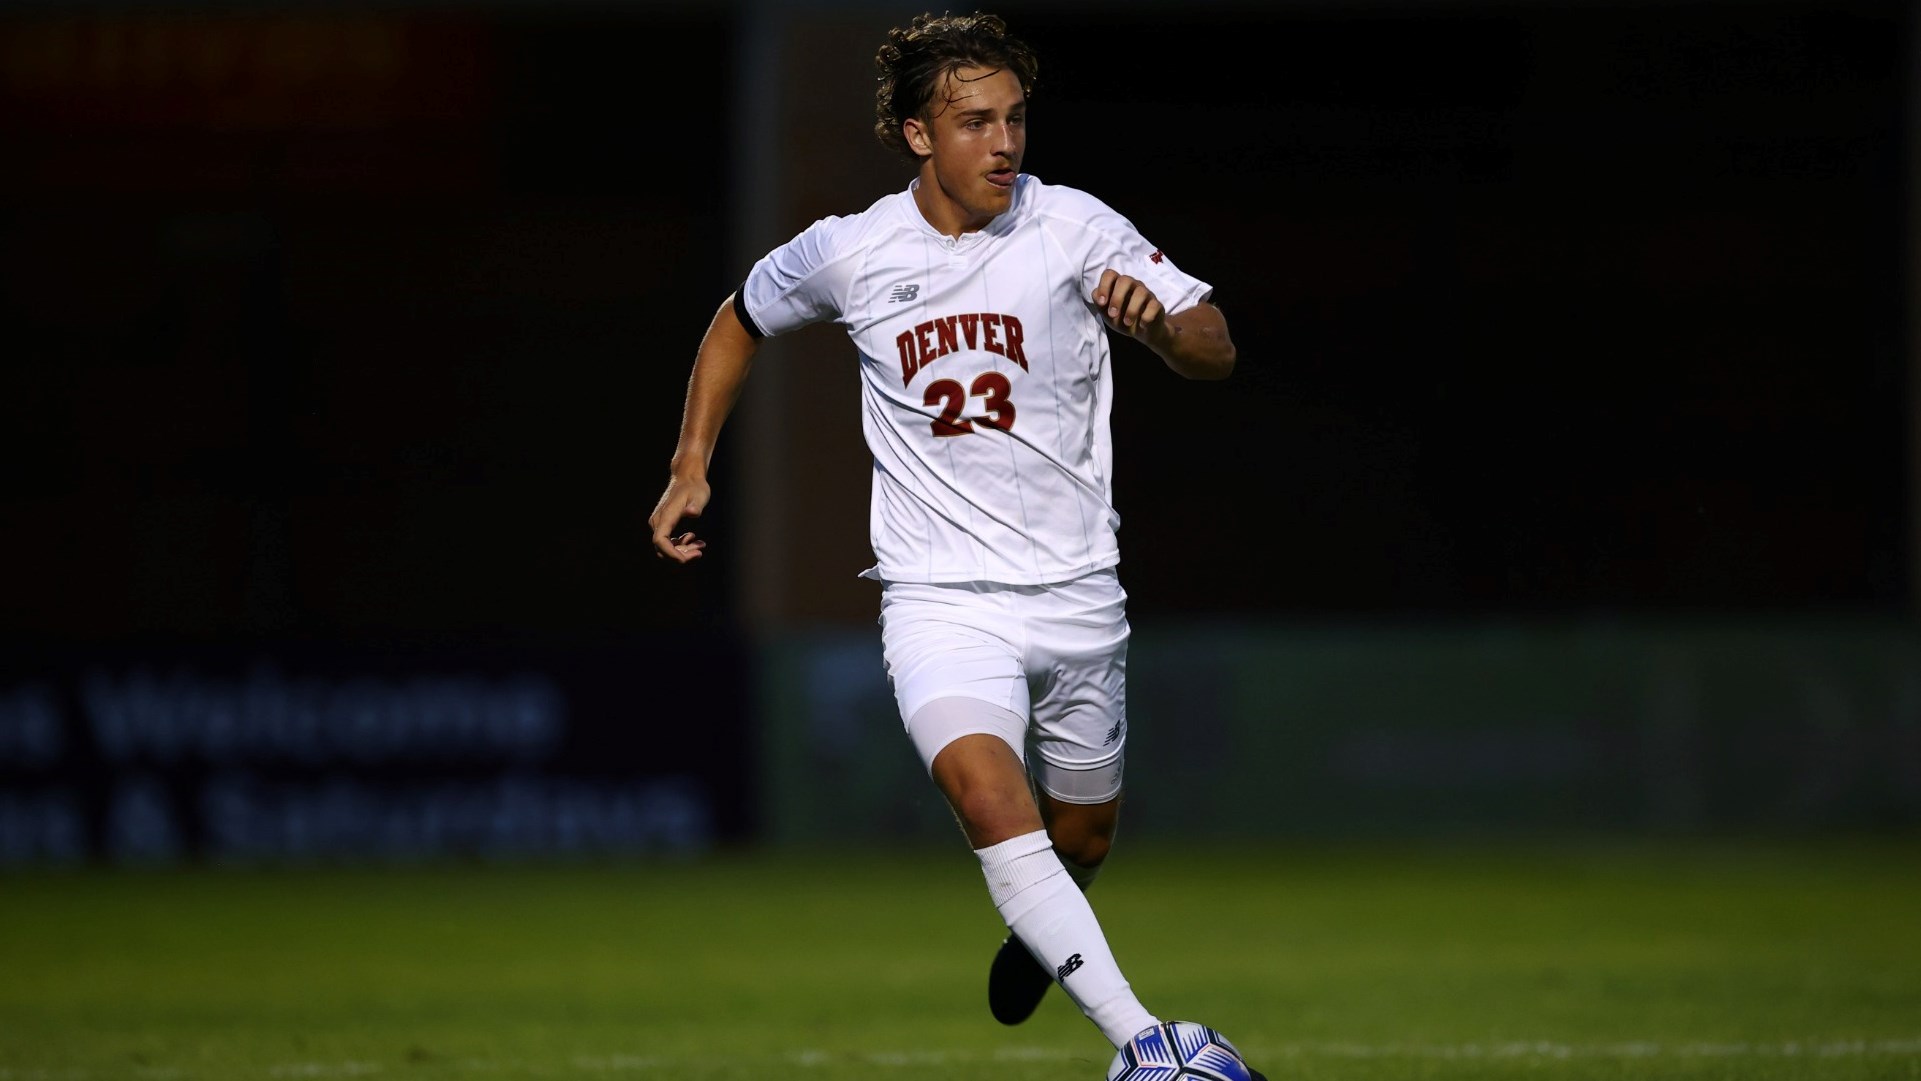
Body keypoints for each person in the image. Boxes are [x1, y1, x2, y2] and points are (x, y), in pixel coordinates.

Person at [648, 10, 1259, 1076]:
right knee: (987, 795)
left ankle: (1046, 931)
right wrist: (691, 461)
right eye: (975, 121)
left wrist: (1163, 329)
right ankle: (1144, 1043)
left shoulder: (1072, 224)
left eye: (1015, 118)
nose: (1004, 142)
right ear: (918, 134)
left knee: (1081, 840)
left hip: (1077, 591)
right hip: (940, 596)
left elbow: (1215, 345)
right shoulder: (852, 249)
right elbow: (739, 317)